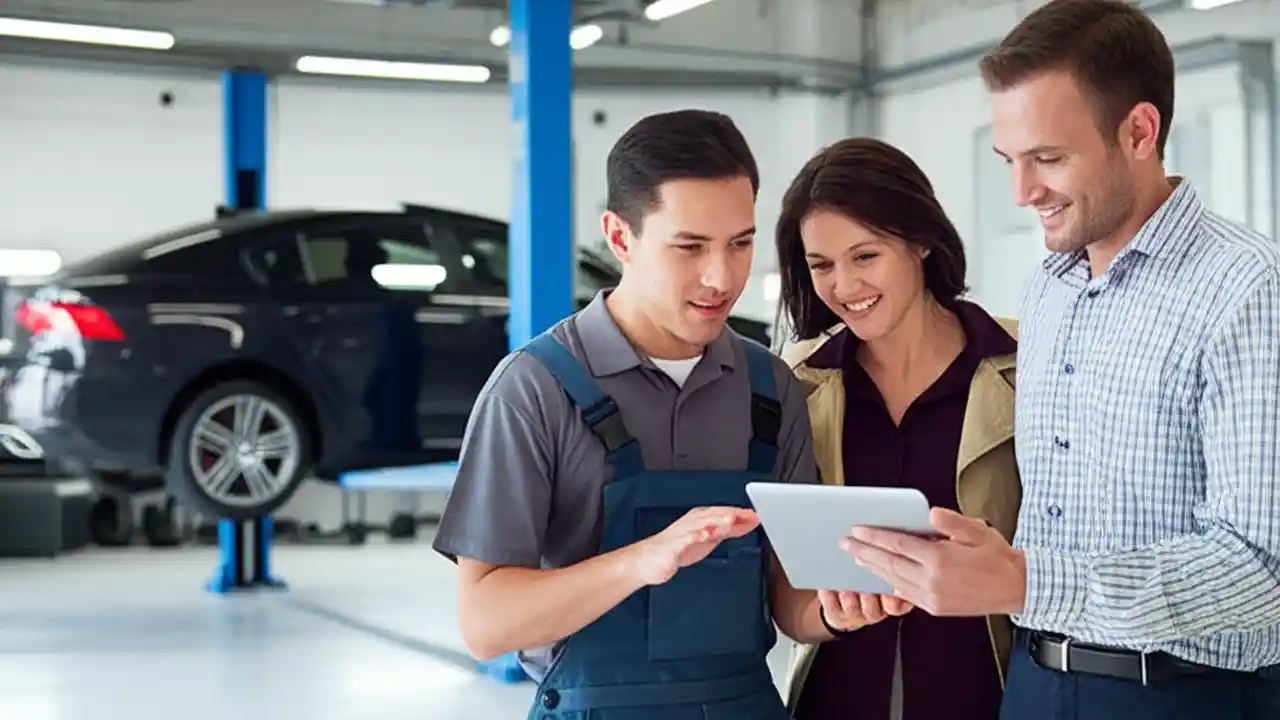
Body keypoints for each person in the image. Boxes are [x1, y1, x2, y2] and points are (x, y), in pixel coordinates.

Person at [843, 2, 1280, 718]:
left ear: (1140, 131)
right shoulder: (1049, 288)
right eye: (1010, 161)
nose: (1023, 192)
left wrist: (1024, 582)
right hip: (1035, 682)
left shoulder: (1246, 288)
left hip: (1183, 696)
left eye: (1048, 158)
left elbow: (1262, 567)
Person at [432, 109, 847, 720]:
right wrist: (641, 561)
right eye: (690, 247)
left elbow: (791, 605)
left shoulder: (771, 390)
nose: (721, 276)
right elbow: (486, 623)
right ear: (620, 237)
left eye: (740, 243)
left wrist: (839, 609)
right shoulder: (533, 390)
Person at [772, 137, 1021, 720]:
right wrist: (833, 613)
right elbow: (788, 599)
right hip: (837, 700)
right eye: (821, 266)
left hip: (988, 699)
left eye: (865, 256)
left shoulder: (1028, 367)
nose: (844, 287)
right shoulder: (798, 386)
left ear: (920, 239)